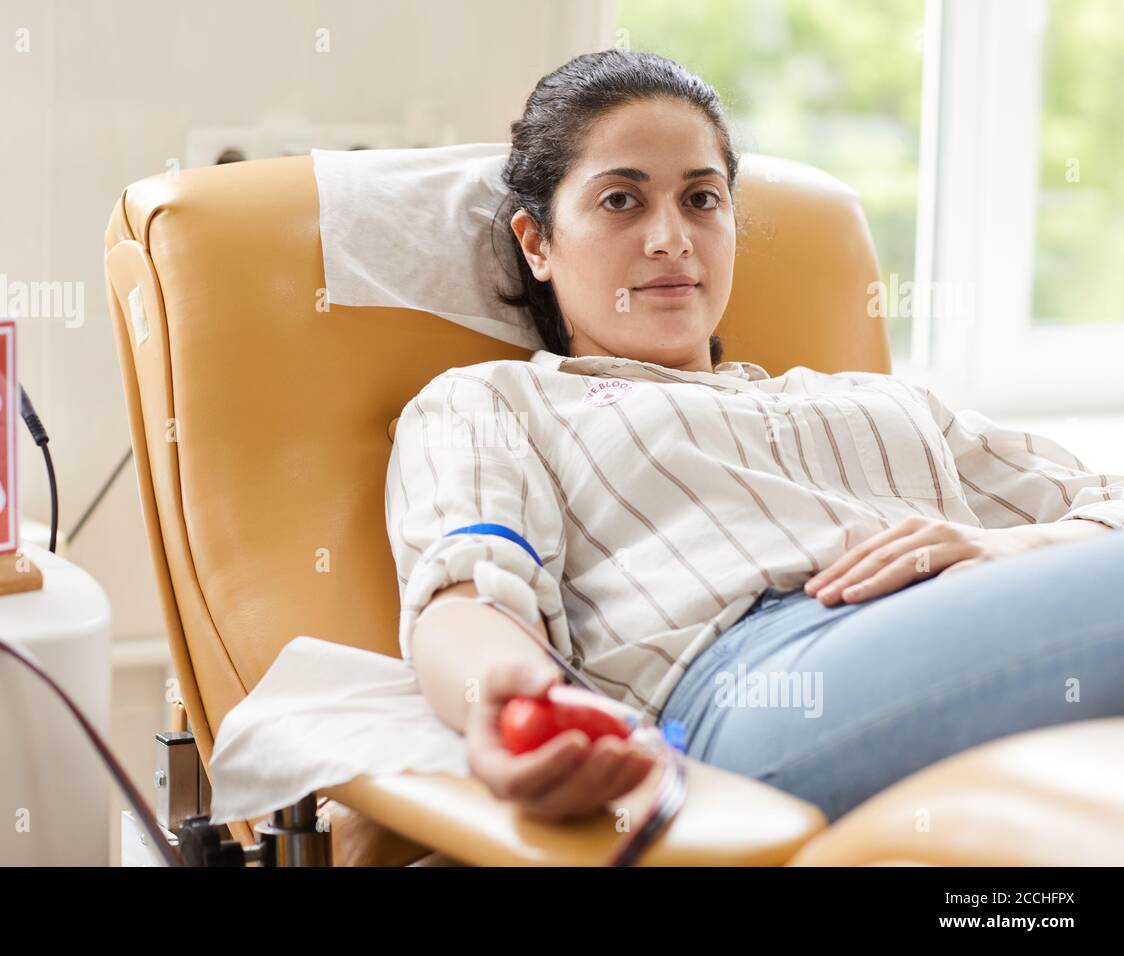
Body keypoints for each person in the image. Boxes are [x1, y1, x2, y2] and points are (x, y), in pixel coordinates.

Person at [384, 49, 1124, 826]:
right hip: (758, 685)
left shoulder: (882, 403)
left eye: (701, 198)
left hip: (970, 623)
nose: (671, 238)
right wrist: (510, 701)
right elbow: (467, 593)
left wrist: (1007, 548)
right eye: (620, 202)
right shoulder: (498, 401)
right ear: (537, 242)